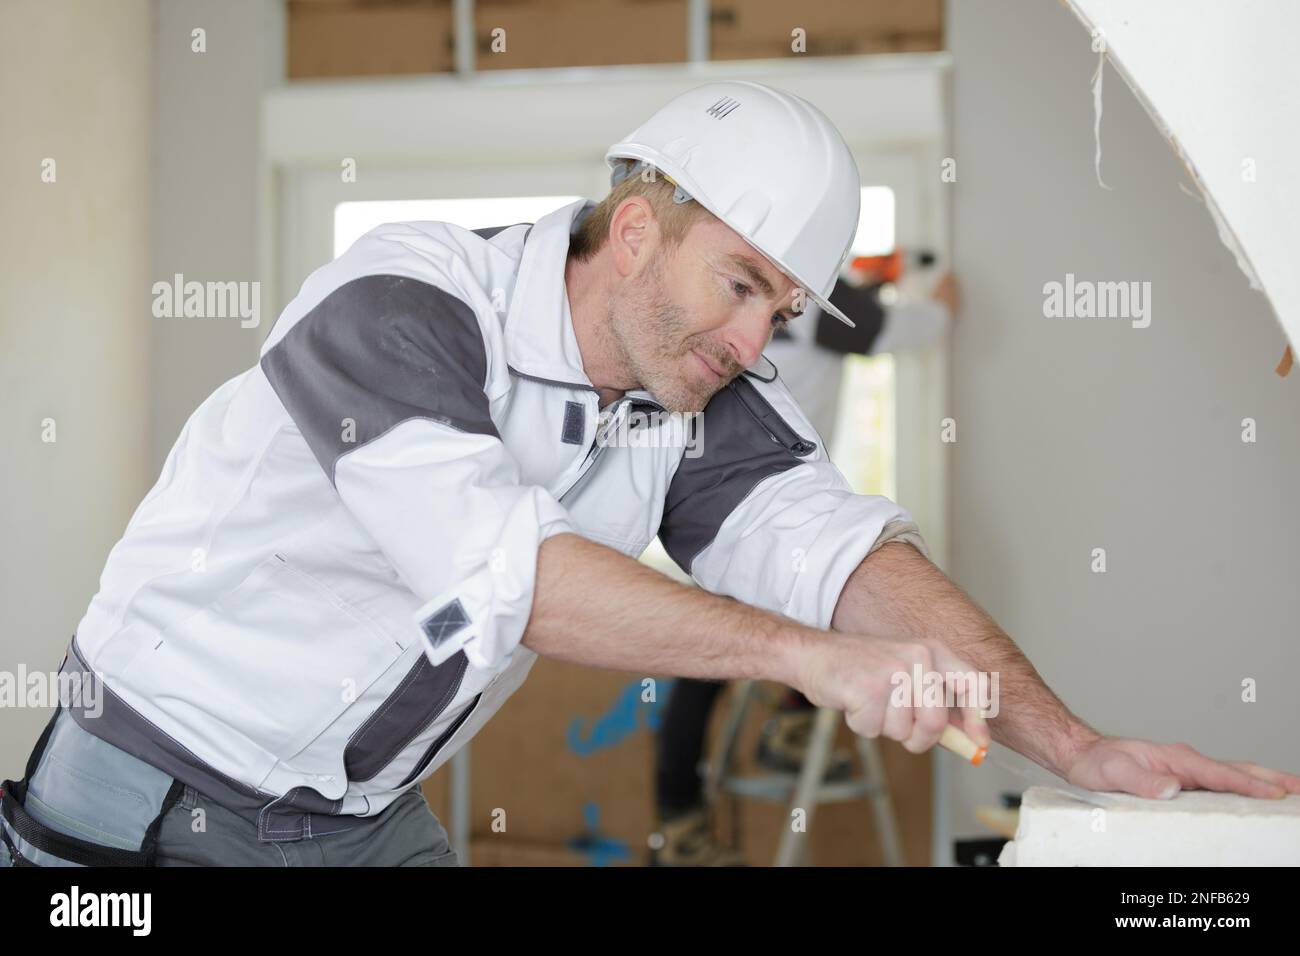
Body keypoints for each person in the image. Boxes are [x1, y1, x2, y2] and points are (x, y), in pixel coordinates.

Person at [4, 81, 1295, 869]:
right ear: (634, 232)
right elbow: (501, 576)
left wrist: (1074, 745)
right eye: (741, 286)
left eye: (779, 312)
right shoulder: (405, 304)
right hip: (153, 792)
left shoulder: (692, 389)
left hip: (355, 813)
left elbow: (840, 552)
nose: (754, 342)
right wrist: (807, 658)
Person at [650, 265, 958, 866]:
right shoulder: (824, 298)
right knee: (826, 602)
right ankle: (788, 729)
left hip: (715, 507)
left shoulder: (747, 292)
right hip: (776, 506)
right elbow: (905, 329)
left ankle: (678, 821)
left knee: (704, 662)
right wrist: (939, 301)